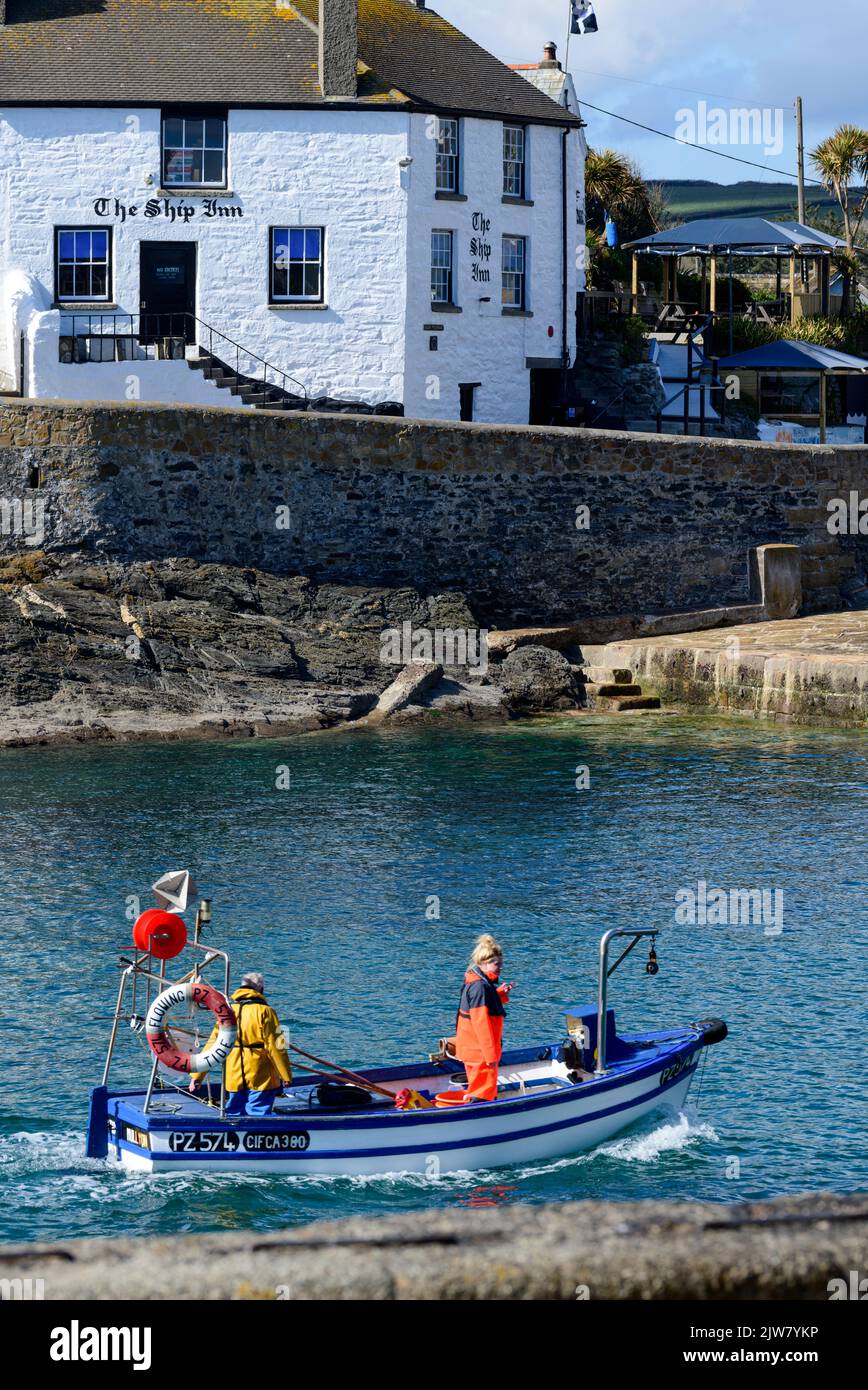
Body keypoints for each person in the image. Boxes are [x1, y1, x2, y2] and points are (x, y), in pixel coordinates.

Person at [190, 971, 291, 1116]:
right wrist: (285, 1075)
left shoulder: (228, 1011)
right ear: (261, 989)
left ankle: (232, 1137)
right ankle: (255, 1135)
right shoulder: (266, 1012)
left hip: (234, 1072)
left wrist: (197, 1076)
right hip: (260, 1074)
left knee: (234, 1113)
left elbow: (212, 1045)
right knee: (259, 1113)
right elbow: (276, 1047)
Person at [454, 934, 512, 1103]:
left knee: (477, 1088)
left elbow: (479, 1005)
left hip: (470, 1048)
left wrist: (499, 994)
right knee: (483, 1093)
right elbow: (481, 1023)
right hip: (480, 1052)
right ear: (483, 963)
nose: (500, 968)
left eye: (501, 964)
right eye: (496, 964)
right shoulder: (479, 986)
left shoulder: (475, 980)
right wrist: (491, 1057)